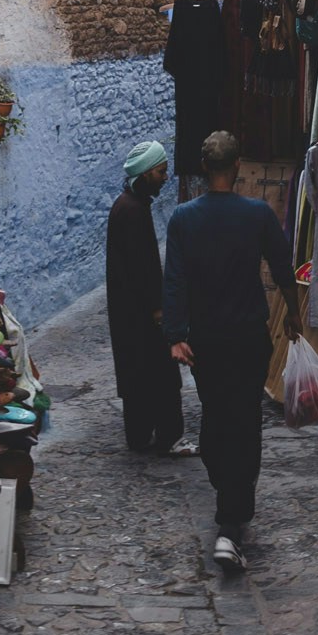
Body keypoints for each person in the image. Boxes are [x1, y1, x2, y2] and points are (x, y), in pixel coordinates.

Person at [163, 128, 297, 572]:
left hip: (206, 341)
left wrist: (176, 335)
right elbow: (283, 267)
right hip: (248, 338)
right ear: (237, 166)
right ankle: (230, 523)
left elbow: (175, 280)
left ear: (205, 167)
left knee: (217, 415)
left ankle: (228, 500)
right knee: (244, 422)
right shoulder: (257, 214)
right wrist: (294, 313)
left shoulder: (183, 219)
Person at [106, 142, 184, 455]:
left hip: (129, 311)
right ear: (146, 173)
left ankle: (139, 435)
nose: (165, 177)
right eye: (161, 172)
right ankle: (167, 436)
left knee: (138, 373)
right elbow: (143, 267)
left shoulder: (128, 205)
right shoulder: (132, 211)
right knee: (160, 374)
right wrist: (157, 309)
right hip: (140, 312)